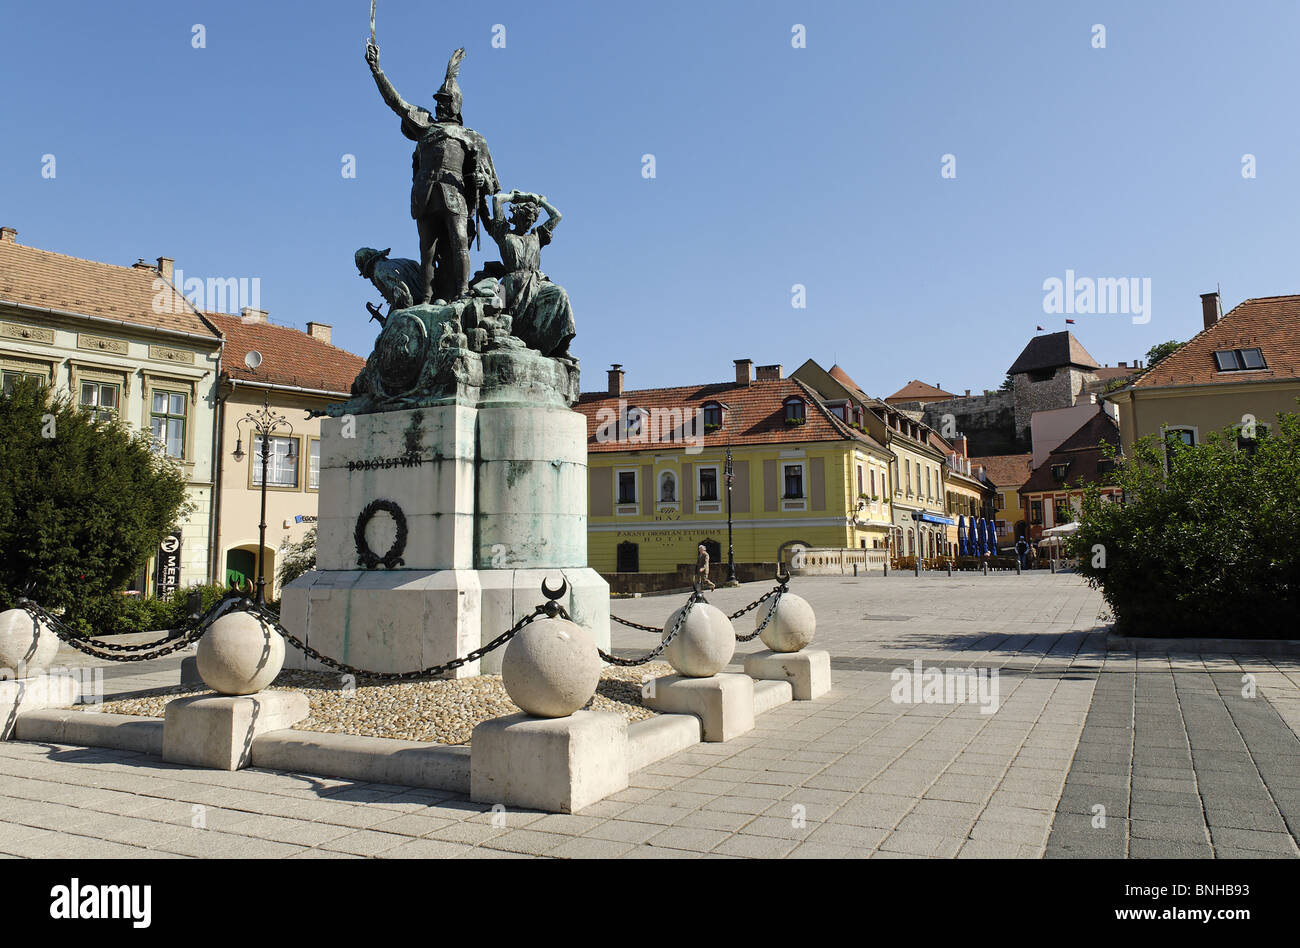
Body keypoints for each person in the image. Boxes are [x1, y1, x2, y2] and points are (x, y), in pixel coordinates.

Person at [365, 43, 499, 303]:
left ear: (457, 105)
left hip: (454, 194)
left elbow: (490, 181)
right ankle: (425, 299)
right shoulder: (425, 126)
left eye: (445, 101)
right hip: (425, 194)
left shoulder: (472, 137)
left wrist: (482, 180)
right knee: (427, 250)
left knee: (459, 242)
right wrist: (377, 70)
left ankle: (461, 294)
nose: (439, 106)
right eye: (438, 101)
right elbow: (396, 103)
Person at [482, 190, 575, 356]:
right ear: (517, 216)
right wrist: (516, 197)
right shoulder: (504, 233)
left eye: (531, 220)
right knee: (501, 317)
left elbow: (557, 216)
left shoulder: (537, 235)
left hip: (535, 282)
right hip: (511, 284)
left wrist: (539, 201)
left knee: (560, 293)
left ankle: (561, 346)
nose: (528, 223)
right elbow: (496, 199)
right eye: (525, 219)